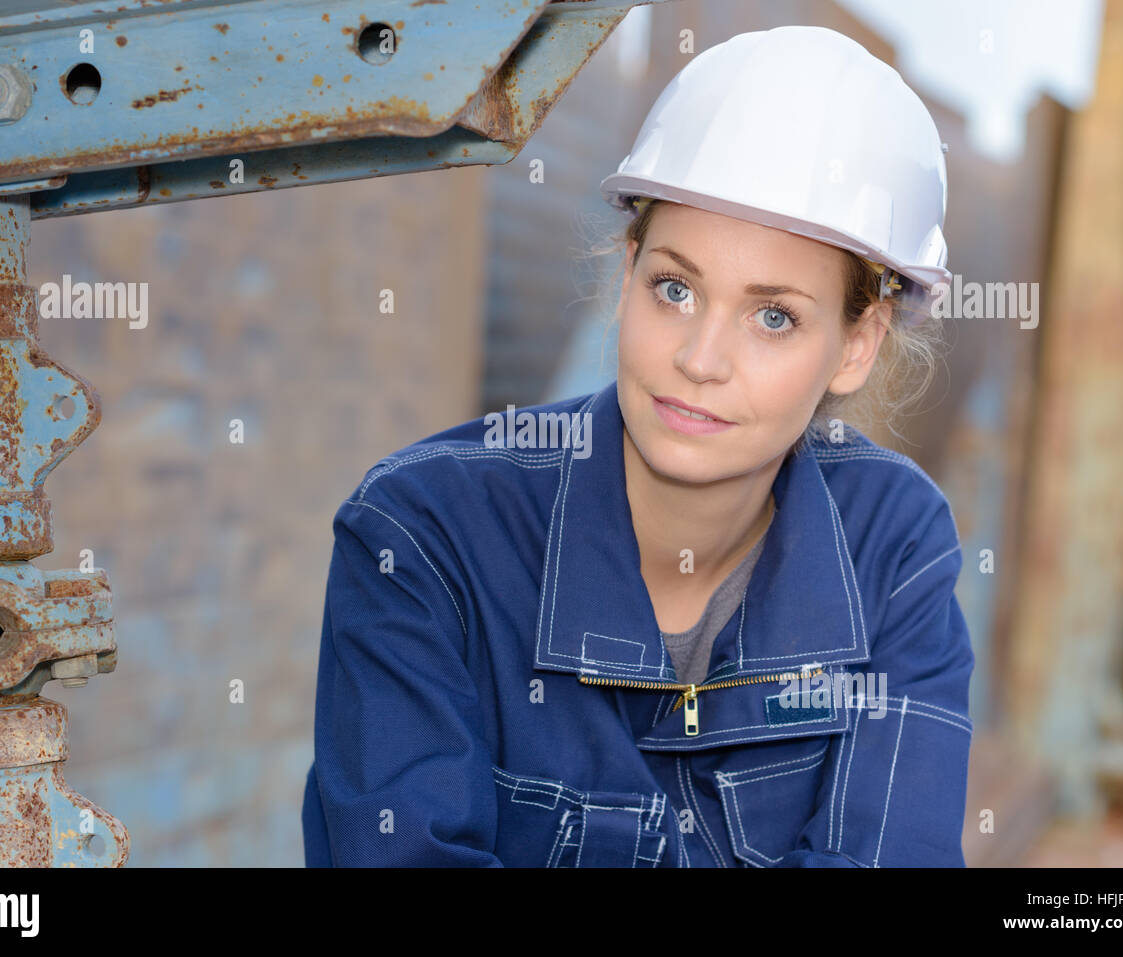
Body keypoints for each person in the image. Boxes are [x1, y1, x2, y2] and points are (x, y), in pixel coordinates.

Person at [302, 25, 973, 867]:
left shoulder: (891, 547)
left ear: (856, 344)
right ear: (627, 277)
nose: (698, 359)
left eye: (774, 317)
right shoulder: (423, 539)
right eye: (675, 288)